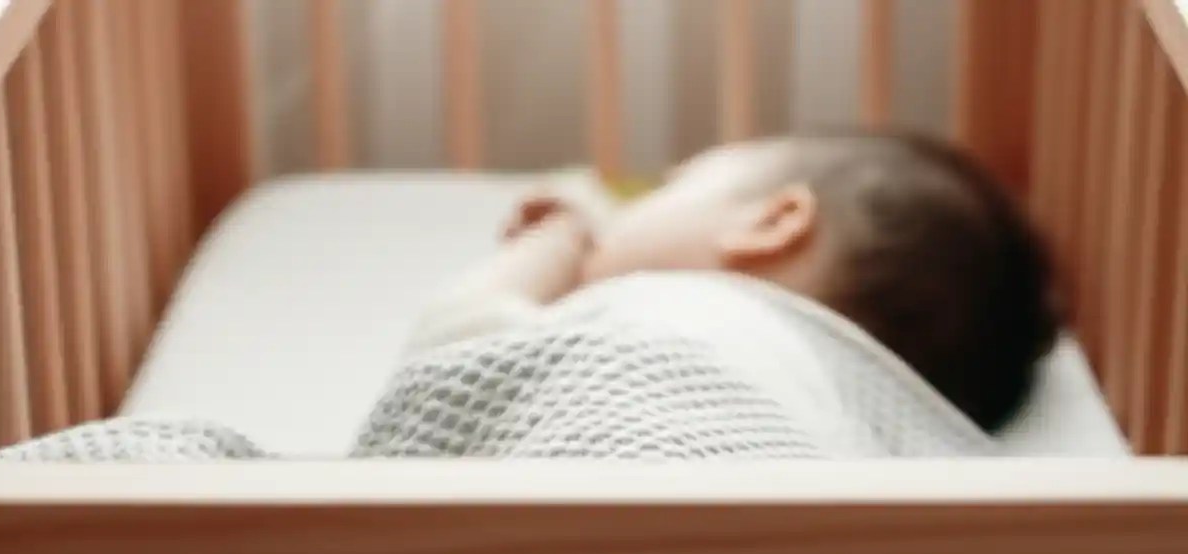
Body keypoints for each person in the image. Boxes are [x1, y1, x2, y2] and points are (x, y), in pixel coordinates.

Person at [409, 132, 1059, 432]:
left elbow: (453, 355)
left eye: (668, 186)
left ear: (771, 223)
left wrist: (560, 239)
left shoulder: (673, 324)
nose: (618, 216)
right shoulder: (863, 456)